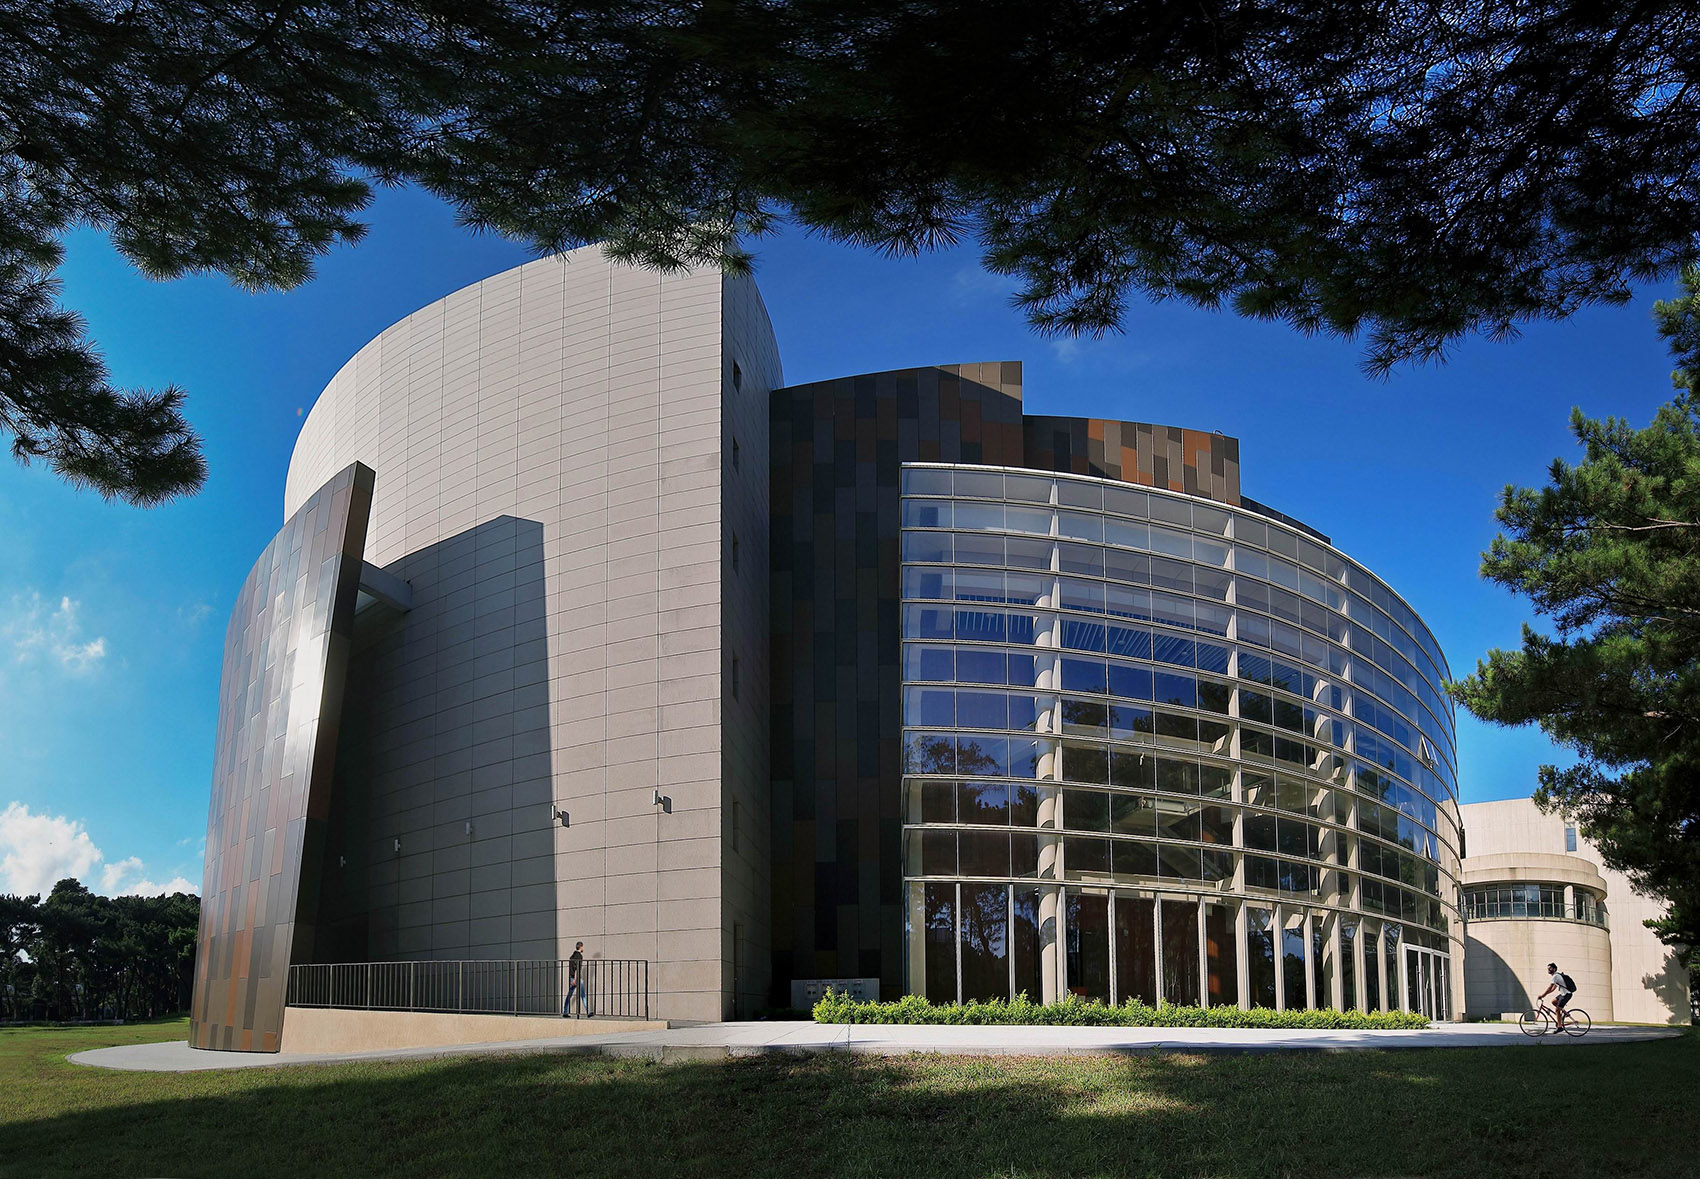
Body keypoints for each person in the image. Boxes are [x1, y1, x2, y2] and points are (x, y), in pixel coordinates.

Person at [1535, 961, 1575, 1030]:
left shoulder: (1555, 976)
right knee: (1554, 1001)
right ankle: (1564, 1012)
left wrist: (1542, 995)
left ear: (1554, 969)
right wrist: (1546, 994)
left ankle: (1559, 1027)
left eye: (1550, 968)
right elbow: (1552, 989)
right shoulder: (1557, 976)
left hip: (1566, 994)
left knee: (1557, 1010)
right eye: (1548, 968)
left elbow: (1550, 987)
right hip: (1563, 994)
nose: (1548, 970)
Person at [563, 941, 589, 1018]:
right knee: (583, 995)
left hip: (572, 977)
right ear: (580, 947)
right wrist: (575, 979)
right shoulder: (579, 956)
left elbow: (572, 968)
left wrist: (572, 979)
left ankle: (565, 1011)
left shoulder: (572, 956)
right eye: (583, 947)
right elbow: (577, 968)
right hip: (576, 978)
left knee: (569, 995)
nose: (583, 948)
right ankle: (588, 1012)